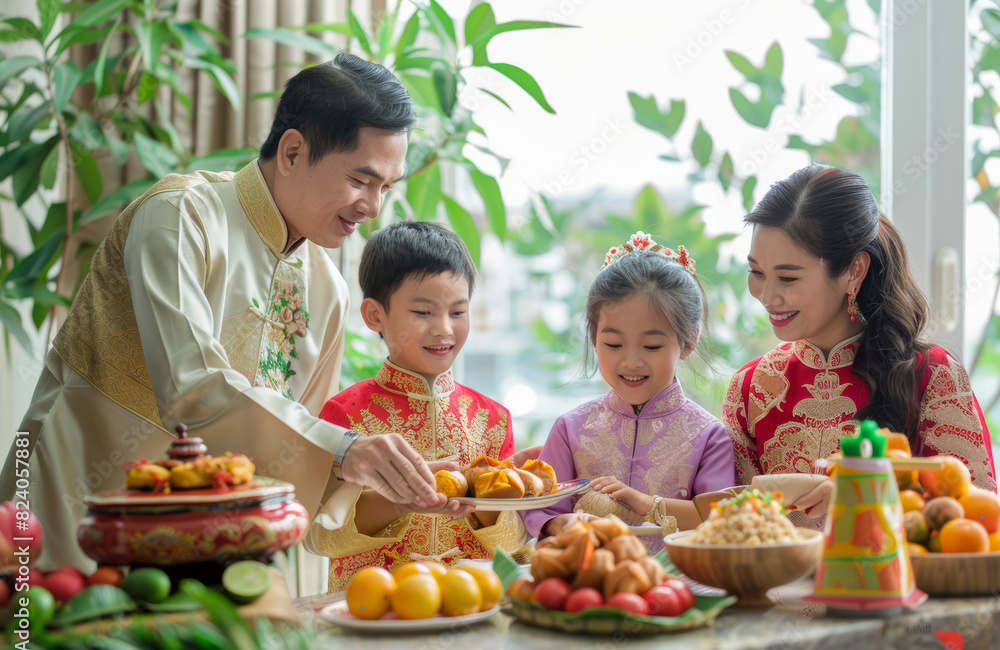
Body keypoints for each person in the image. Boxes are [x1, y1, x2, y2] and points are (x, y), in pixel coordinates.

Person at [2, 54, 454, 571]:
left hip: (206, 553)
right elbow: (190, 386)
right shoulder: (179, 217)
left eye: (385, 188)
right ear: (291, 151)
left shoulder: (327, 287)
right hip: (72, 508)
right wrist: (348, 447)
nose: (373, 207)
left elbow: (296, 462)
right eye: (360, 179)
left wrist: (391, 490)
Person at [724, 164, 996, 525]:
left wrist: (862, 497)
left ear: (854, 270)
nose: (767, 296)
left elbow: (977, 524)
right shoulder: (751, 387)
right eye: (757, 272)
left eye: (788, 277)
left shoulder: (932, 376)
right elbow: (730, 529)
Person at [305, 221, 531, 590]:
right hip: (374, 615)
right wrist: (401, 502)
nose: (444, 329)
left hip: (471, 611)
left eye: (458, 312)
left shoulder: (493, 420)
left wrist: (488, 498)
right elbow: (321, 538)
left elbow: (513, 546)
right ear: (375, 315)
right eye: (423, 313)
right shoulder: (342, 415)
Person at [519, 232, 737, 547]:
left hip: (679, 587)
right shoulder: (570, 428)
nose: (631, 361)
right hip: (586, 585)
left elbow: (719, 519)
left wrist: (649, 505)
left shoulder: (708, 436)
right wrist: (561, 523)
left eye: (651, 345)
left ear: (689, 340)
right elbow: (543, 509)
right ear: (594, 337)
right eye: (614, 344)